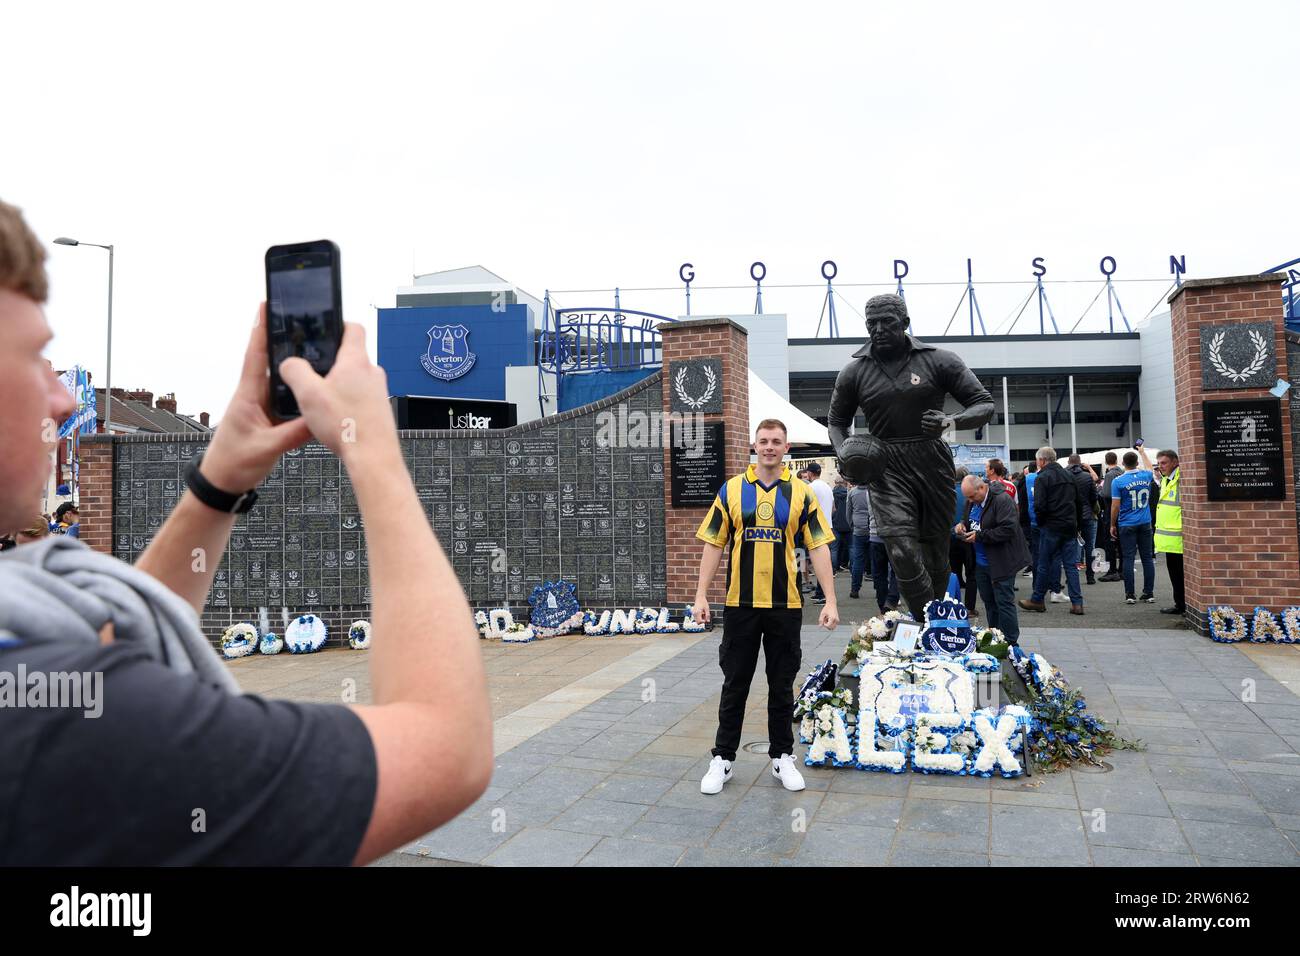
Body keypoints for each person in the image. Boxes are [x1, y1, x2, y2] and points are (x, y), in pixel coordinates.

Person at [0, 198, 492, 865]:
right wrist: (371, 448)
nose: (62, 398)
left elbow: (122, 641)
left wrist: (219, 480)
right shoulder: (62, 728)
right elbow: (447, 746)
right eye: (36, 357)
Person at [692, 419, 839, 795]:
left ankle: (782, 757)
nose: (770, 447)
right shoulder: (732, 489)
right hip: (740, 604)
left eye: (776, 441)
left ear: (786, 448)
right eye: (764, 441)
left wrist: (831, 600)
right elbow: (713, 543)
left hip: (785, 605)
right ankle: (723, 758)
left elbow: (819, 547)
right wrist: (700, 594)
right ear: (754, 447)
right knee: (735, 683)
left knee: (782, 684)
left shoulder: (802, 493)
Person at [827, 294, 995, 616]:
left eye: (886, 322)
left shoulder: (939, 360)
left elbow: (983, 403)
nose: (877, 329)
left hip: (932, 460)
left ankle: (936, 619)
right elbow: (836, 422)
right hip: (885, 466)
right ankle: (925, 623)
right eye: (871, 323)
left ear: (904, 323)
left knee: (935, 552)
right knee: (901, 549)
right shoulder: (854, 372)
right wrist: (845, 453)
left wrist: (951, 421)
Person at [957, 474, 1030, 645]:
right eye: (967, 497)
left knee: (1004, 603)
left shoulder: (1002, 500)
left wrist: (980, 536)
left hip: (1001, 561)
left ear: (982, 488)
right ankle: (995, 638)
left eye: (972, 496)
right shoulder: (972, 501)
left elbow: (1008, 529)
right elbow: (968, 520)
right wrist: (961, 525)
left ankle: (1011, 643)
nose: (970, 500)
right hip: (981, 563)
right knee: (989, 603)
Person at [1018, 446, 1084, 615]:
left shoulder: (1042, 477)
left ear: (1042, 460)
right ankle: (1077, 603)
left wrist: (1041, 523)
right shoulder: (1069, 476)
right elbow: (1078, 502)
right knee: (1070, 566)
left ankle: (1038, 599)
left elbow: (1039, 506)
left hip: (1051, 526)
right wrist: (1077, 525)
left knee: (1043, 564)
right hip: (1069, 526)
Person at [1140, 445, 1184, 615]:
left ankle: (1183, 605)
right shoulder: (1166, 479)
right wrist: (1142, 453)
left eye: (1164, 463)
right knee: (1175, 574)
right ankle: (1179, 604)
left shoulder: (1180, 478)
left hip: (1180, 538)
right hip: (1170, 540)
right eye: (1159, 463)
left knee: (1180, 575)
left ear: (1175, 462)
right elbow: (1151, 470)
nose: (1161, 466)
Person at [1110, 450, 1156, 605]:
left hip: (1127, 523)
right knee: (1147, 558)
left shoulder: (1118, 481)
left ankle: (1130, 594)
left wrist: (1112, 524)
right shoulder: (1146, 476)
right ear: (1137, 463)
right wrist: (1142, 452)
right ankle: (1149, 593)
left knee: (1128, 558)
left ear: (1123, 464)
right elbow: (1150, 468)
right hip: (1145, 522)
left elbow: (1115, 506)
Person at [847, 481, 899, 612]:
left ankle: (881, 602)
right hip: (893, 536)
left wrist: (852, 525)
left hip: (873, 534)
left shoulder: (868, 491)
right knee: (897, 570)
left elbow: (850, 512)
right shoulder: (895, 488)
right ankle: (892, 599)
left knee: (877, 572)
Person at [949, 467, 978, 615]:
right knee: (972, 573)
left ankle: (954, 606)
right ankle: (970, 608)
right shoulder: (970, 494)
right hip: (969, 537)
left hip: (951, 537)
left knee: (953, 573)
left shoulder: (947, 492)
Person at [1066, 454, 1100, 586]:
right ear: (1080, 463)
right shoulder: (1087, 477)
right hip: (1087, 516)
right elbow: (1094, 496)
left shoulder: (1064, 475)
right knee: (1089, 546)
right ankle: (1090, 576)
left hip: (1070, 517)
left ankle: (1071, 577)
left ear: (1069, 462)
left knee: (1071, 546)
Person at [805, 462, 836, 604]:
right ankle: (821, 592)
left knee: (814, 561)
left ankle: (821, 593)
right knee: (824, 560)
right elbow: (833, 509)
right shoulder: (828, 487)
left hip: (814, 528)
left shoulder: (810, 487)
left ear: (810, 473)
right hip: (828, 526)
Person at [1097, 452, 1124, 582]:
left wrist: (1099, 490)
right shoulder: (1121, 472)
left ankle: (1112, 570)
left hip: (1110, 512)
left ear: (1106, 461)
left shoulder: (1109, 475)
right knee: (1121, 543)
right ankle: (1122, 570)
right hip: (1122, 512)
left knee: (1110, 542)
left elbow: (1106, 494)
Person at [831, 478, 851, 572]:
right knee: (851, 547)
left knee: (834, 548)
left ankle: (834, 568)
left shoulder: (831, 494)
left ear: (835, 483)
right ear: (845, 483)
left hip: (835, 523)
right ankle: (851, 568)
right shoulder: (849, 494)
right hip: (847, 523)